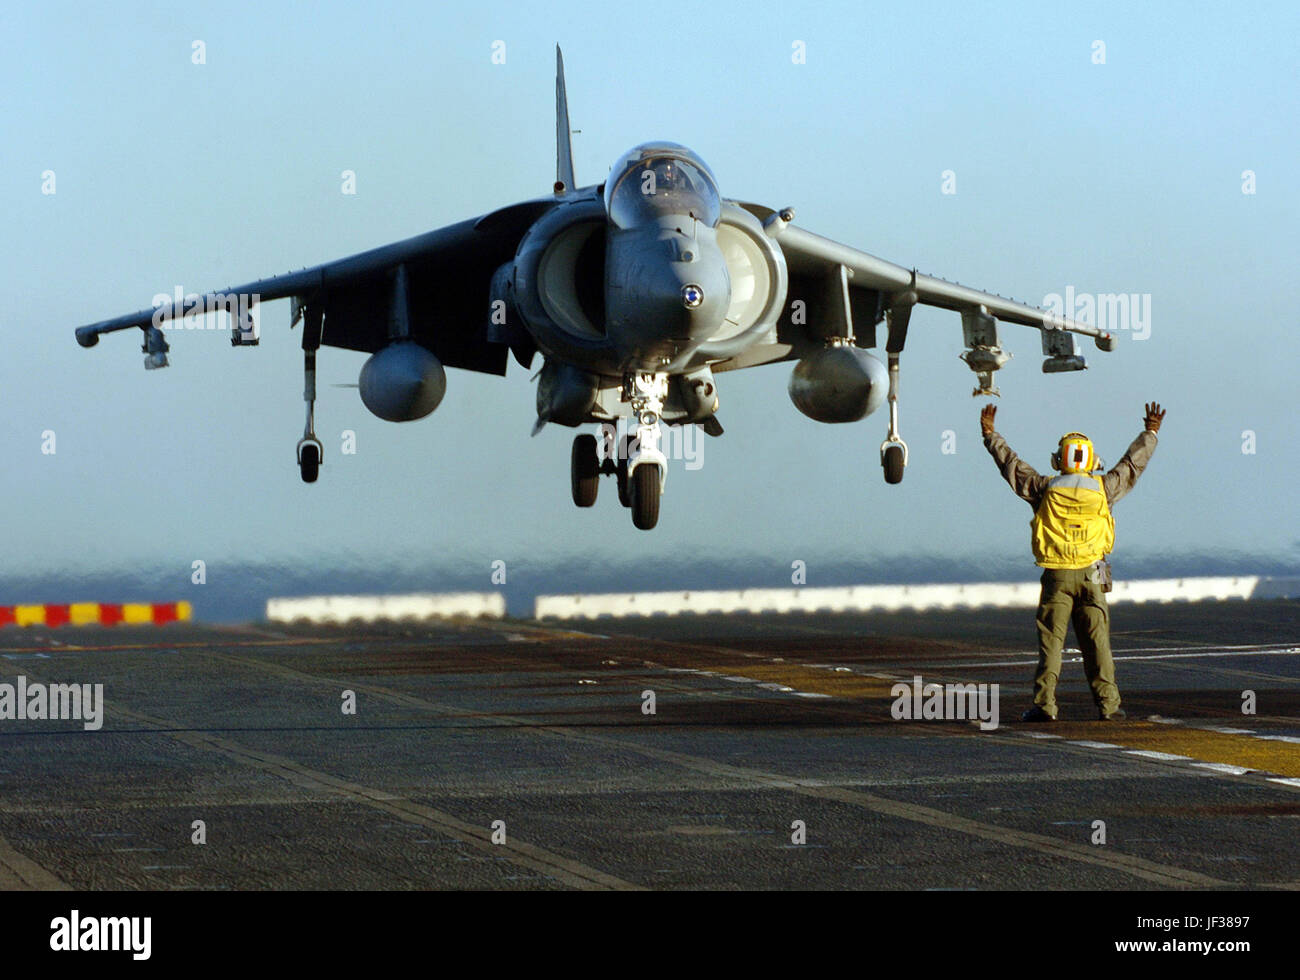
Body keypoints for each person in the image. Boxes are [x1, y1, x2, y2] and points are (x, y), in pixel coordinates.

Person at [980, 401, 1165, 722]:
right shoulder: (1103, 487)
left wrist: (991, 435)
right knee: (1098, 642)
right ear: (1090, 460)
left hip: (1057, 576)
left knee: (1051, 644)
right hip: (1094, 572)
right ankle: (1109, 706)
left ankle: (1045, 706)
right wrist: (1150, 432)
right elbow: (1132, 465)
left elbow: (1011, 466)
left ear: (1059, 459)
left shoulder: (1045, 487)